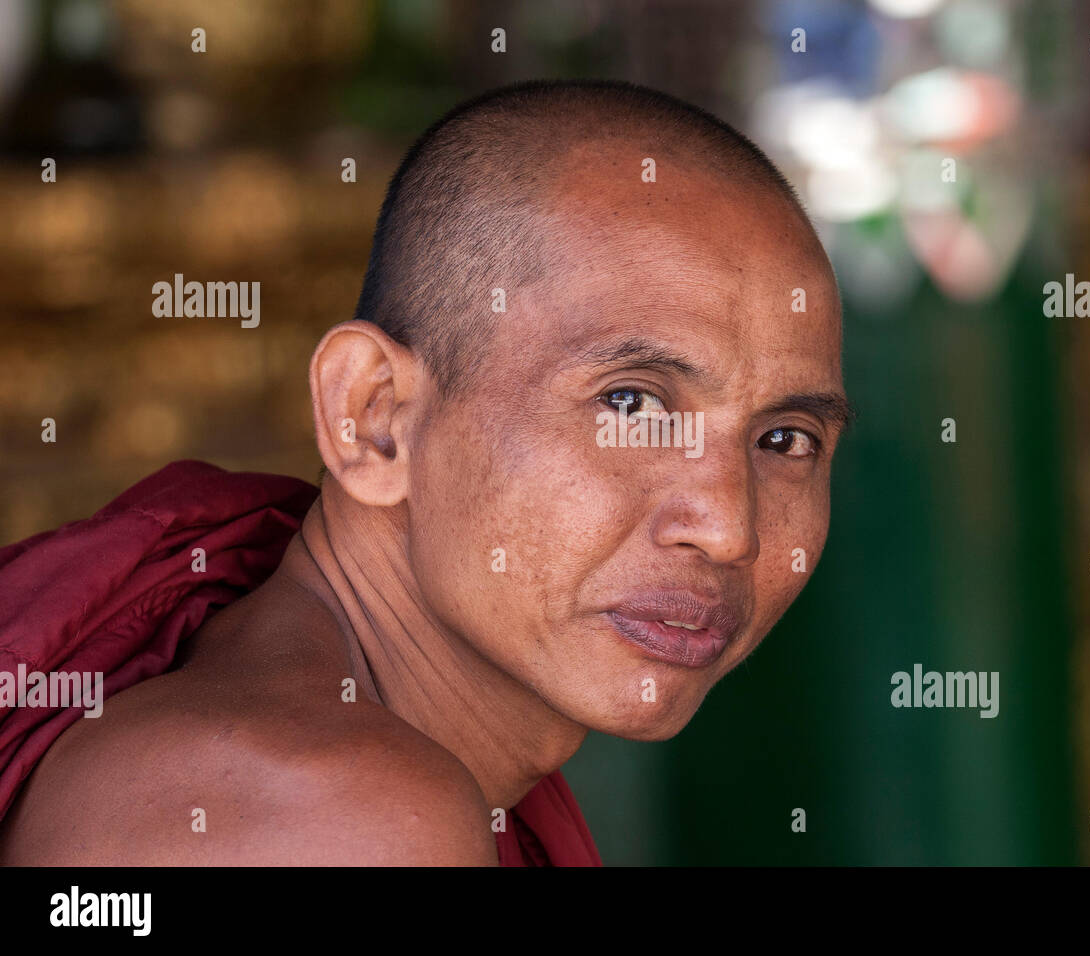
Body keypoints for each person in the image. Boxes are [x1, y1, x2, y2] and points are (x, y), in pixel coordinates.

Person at [0, 79, 850, 865]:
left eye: (786, 440)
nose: (728, 527)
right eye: (630, 404)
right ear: (374, 420)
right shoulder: (338, 816)